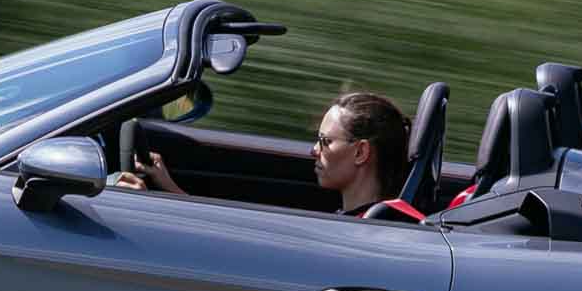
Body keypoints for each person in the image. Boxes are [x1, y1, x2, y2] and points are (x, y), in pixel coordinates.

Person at [114, 89, 417, 218]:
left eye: (325, 142)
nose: (314, 151)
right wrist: (169, 191)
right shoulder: (358, 222)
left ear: (361, 152)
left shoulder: (363, 232)